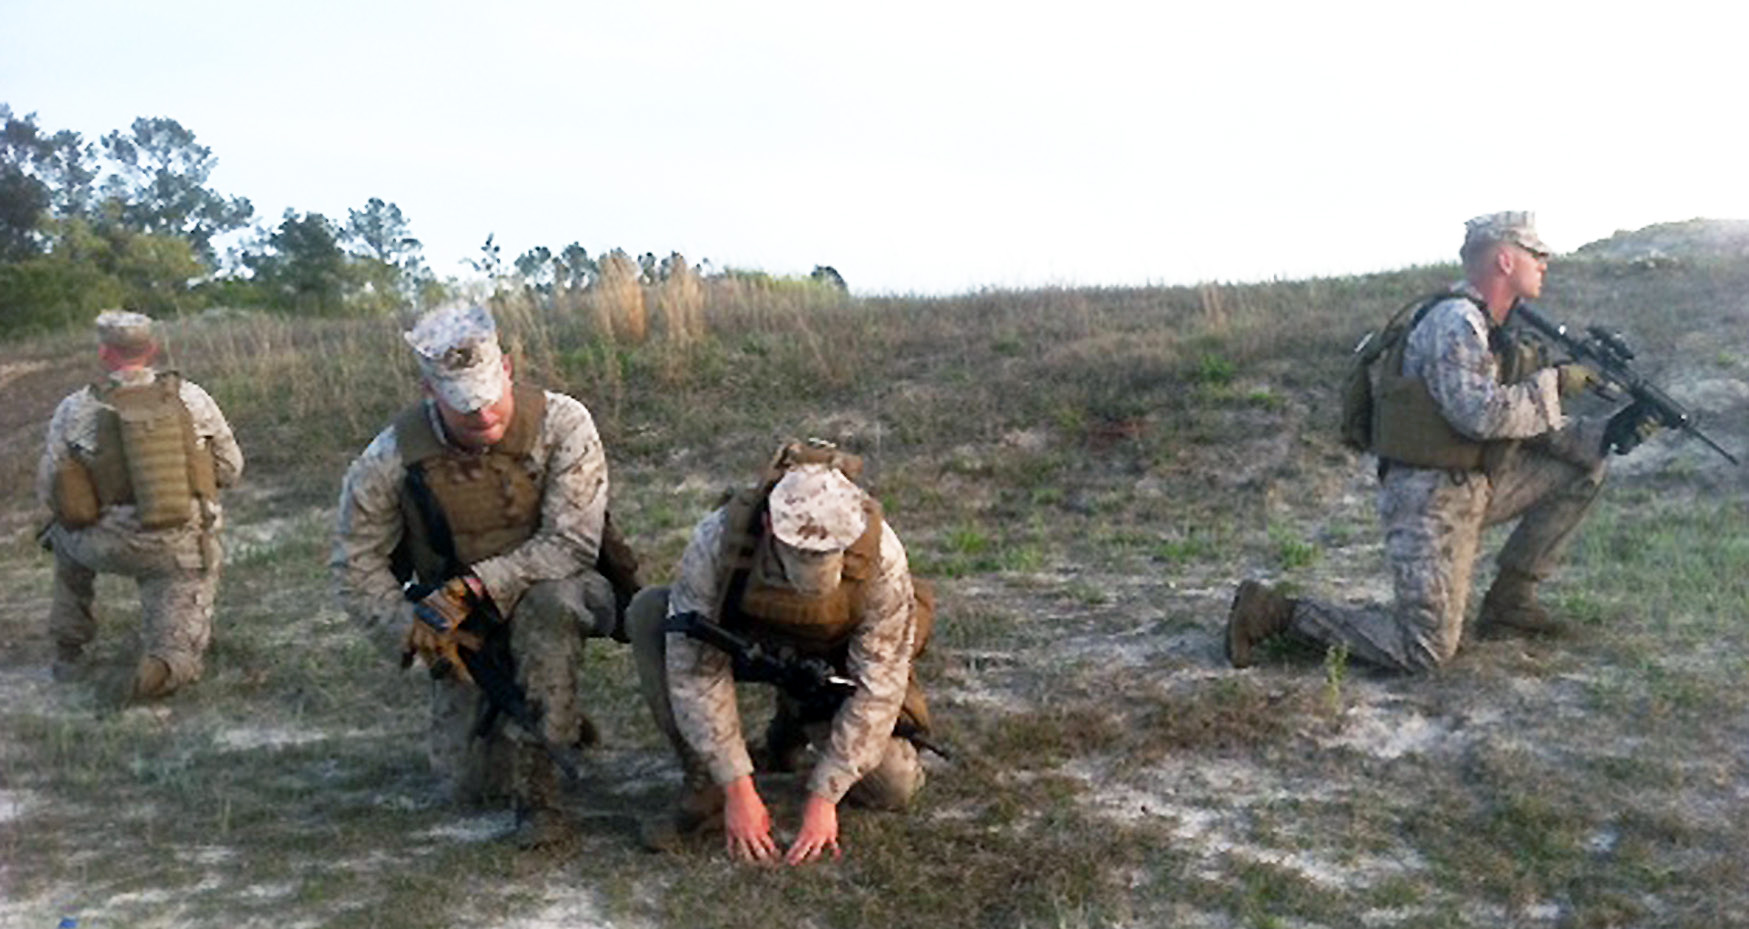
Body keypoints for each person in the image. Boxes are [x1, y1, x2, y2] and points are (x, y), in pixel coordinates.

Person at [1226, 211, 1642, 673]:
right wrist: (1557, 383)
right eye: (1535, 254)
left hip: (1471, 487)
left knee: (1586, 466)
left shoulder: (1490, 328)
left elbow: (1519, 423)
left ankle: (1511, 602)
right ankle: (1276, 612)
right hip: (1429, 500)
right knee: (1426, 650)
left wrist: (1606, 435)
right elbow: (1480, 414)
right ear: (1505, 260)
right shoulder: (1455, 321)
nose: (1545, 262)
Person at [331, 303, 636, 850]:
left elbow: (572, 543)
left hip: (564, 588)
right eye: (464, 406)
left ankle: (541, 798)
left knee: (550, 604)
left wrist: (472, 587)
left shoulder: (564, 423)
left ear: (510, 369)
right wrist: (415, 629)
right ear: (429, 391)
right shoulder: (391, 457)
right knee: (466, 786)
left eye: (491, 398)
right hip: (462, 619)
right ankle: (550, 709)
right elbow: (355, 564)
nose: (484, 417)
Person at [627, 440, 935, 864]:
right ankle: (706, 788)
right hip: (744, 640)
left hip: (829, 659)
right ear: (770, 524)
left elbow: (878, 684)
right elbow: (695, 672)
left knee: (893, 786)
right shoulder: (718, 540)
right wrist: (736, 785)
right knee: (650, 615)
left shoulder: (882, 555)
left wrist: (825, 794)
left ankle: (798, 718)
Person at [38, 310, 244, 700]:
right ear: (151, 349)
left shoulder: (75, 409)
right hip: (179, 543)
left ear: (104, 353)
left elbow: (50, 489)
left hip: (103, 543)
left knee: (61, 536)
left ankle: (69, 652)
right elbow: (232, 469)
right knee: (178, 648)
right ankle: (157, 668)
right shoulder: (192, 398)